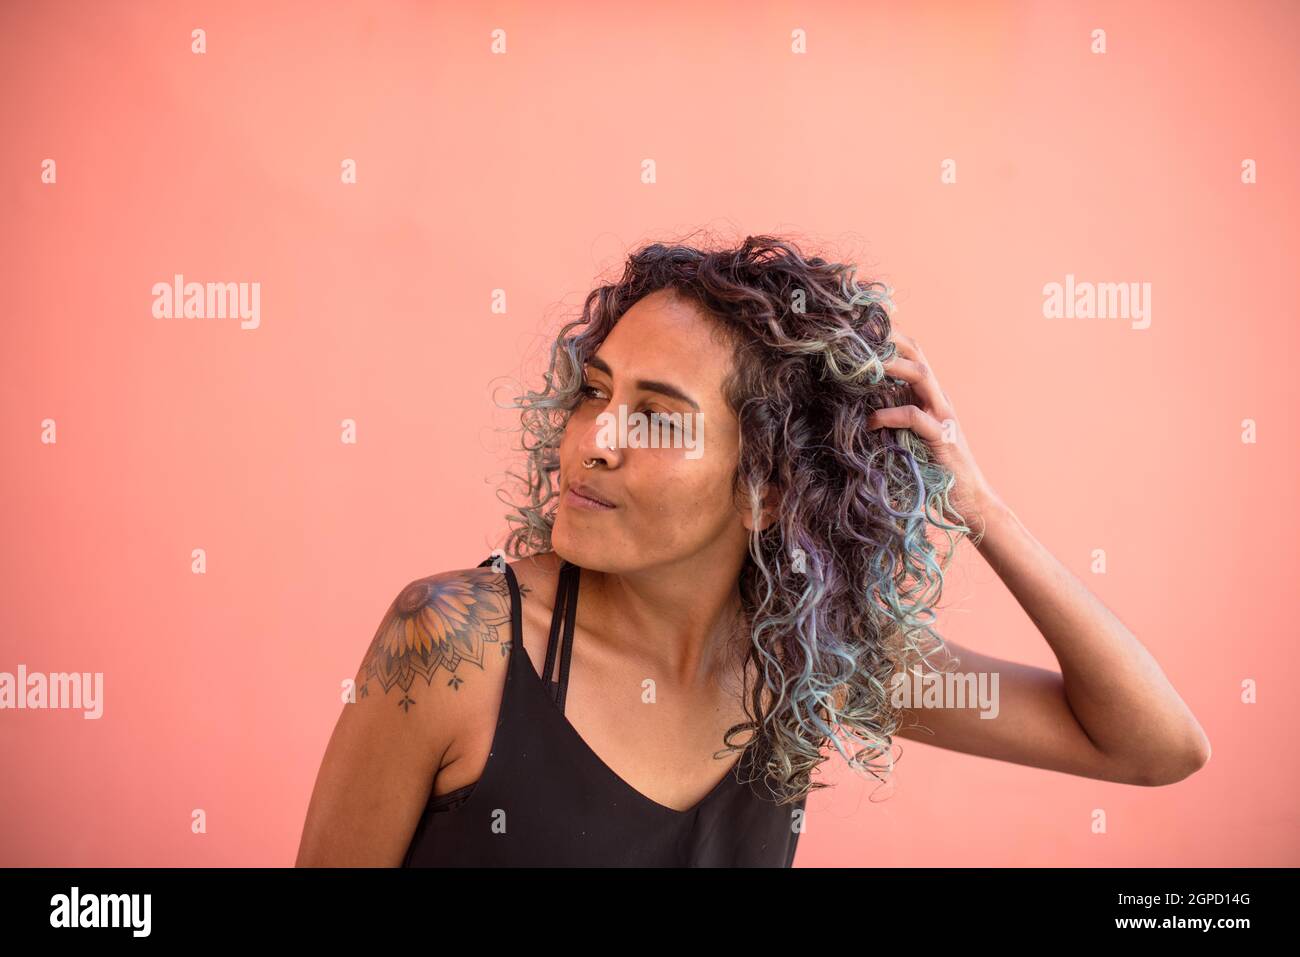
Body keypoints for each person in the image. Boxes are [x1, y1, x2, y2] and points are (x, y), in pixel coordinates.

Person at [295, 234, 1211, 867]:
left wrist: (981, 507)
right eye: (595, 390)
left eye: (656, 416)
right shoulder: (455, 643)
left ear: (770, 489)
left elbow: (1152, 745)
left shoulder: (814, 663)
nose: (593, 439)